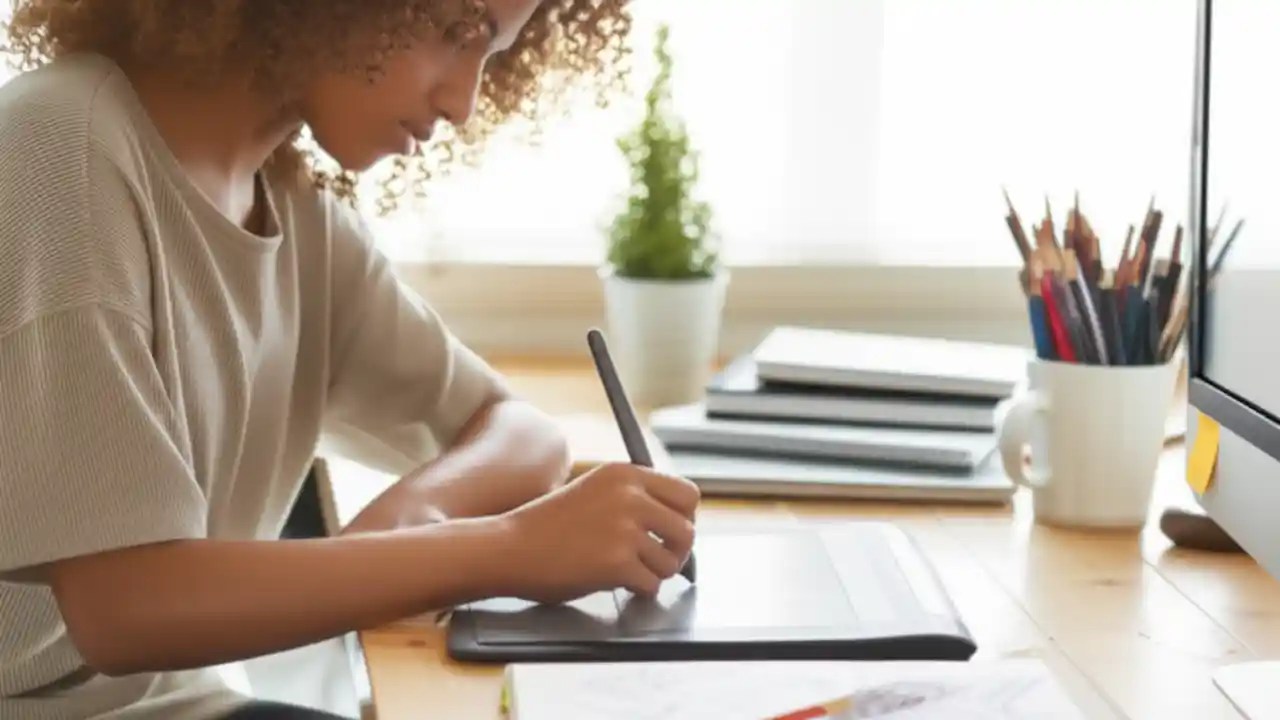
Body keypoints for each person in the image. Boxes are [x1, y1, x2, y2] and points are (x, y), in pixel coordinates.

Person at [0, 1, 700, 718]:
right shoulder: (60, 148)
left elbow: (521, 431)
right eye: (457, 31)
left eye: (493, 53)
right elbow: (125, 608)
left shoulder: (297, 213)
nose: (462, 102)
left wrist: (417, 518)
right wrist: (507, 547)